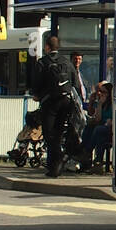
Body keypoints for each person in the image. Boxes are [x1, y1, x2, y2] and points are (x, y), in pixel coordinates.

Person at [31, 34, 80, 177]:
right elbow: (75, 82)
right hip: (66, 101)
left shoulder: (42, 62)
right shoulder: (66, 62)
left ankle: (59, 157)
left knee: (48, 134)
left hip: (50, 102)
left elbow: (36, 83)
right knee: (58, 134)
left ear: (47, 47)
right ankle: (53, 168)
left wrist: (37, 95)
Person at [79, 81, 114, 172]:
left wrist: (111, 121)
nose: (100, 94)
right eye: (99, 91)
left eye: (104, 92)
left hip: (111, 130)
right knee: (90, 128)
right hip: (102, 130)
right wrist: (99, 104)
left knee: (98, 130)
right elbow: (98, 119)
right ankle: (87, 154)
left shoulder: (113, 105)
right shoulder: (102, 104)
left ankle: (86, 152)